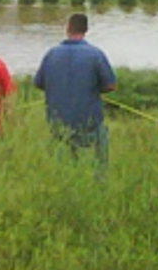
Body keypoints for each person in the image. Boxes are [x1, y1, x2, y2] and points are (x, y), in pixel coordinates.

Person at [33, 13, 117, 162]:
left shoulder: (51, 54)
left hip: (57, 123)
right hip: (88, 123)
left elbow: (38, 83)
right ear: (86, 30)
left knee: (62, 153)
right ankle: (100, 176)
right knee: (101, 136)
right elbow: (110, 85)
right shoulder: (96, 54)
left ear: (67, 28)